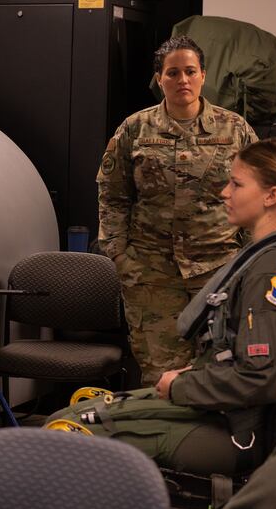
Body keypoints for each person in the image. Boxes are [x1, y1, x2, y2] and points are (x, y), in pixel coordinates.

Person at [48, 138, 276, 475]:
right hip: (222, 408)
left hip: (237, 429)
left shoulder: (273, 271)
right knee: (74, 412)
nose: (224, 193)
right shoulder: (268, 254)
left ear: (272, 196)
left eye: (236, 184)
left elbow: (262, 378)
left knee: (61, 435)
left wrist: (181, 386)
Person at [98, 35, 257, 386]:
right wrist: (119, 255)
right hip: (151, 272)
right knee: (159, 373)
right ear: (159, 79)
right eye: (173, 73)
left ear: (203, 75)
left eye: (190, 71)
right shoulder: (135, 129)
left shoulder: (235, 129)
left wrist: (248, 257)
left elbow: (255, 197)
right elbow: (113, 195)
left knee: (220, 366)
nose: (182, 80)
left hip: (218, 267)